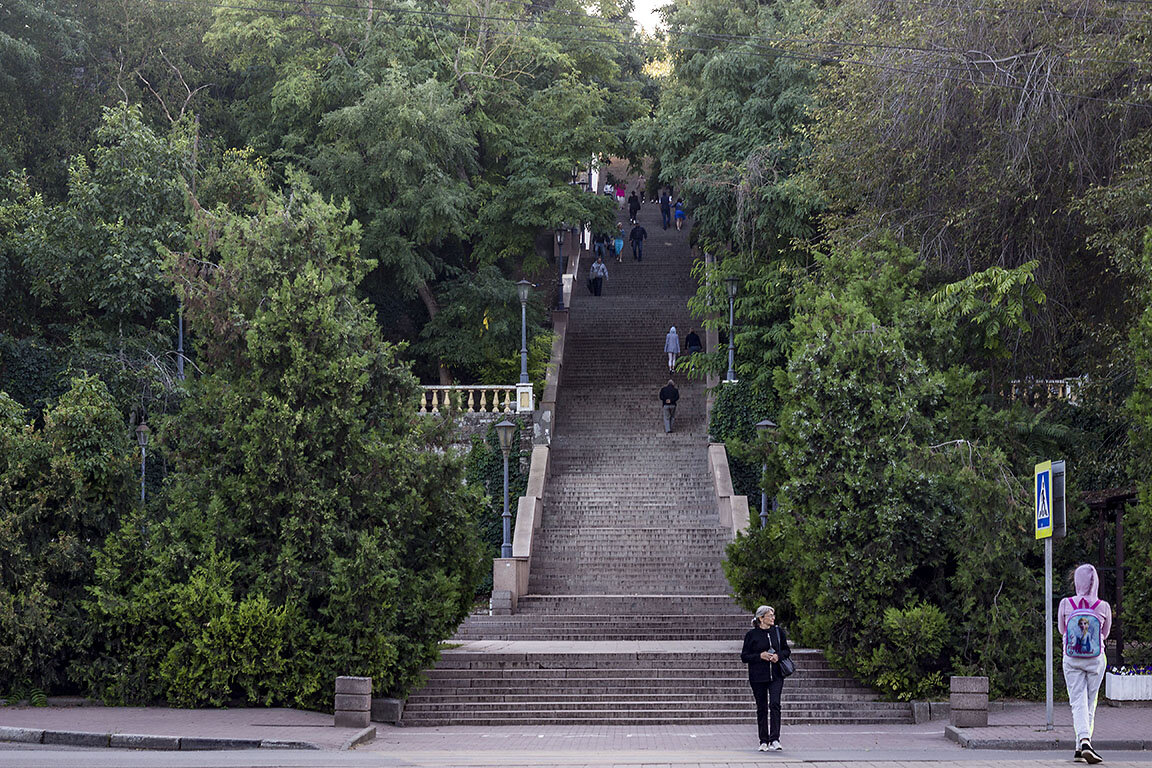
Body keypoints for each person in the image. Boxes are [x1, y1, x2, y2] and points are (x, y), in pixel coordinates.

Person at [1059, 563, 1112, 765]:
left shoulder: (1065, 604)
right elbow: (1105, 635)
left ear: (1076, 582)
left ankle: (1082, 743)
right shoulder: (1103, 606)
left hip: (1072, 658)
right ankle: (1081, 744)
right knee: (1090, 701)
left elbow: (1062, 631)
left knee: (1077, 702)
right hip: (1096, 659)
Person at [741, 605, 791, 752]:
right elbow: (744, 656)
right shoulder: (752, 635)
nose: (773, 618)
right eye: (770, 615)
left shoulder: (778, 632)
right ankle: (763, 740)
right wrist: (760, 656)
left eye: (773, 615)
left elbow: (786, 650)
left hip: (776, 675)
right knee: (761, 708)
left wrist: (778, 656)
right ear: (761, 618)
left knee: (775, 704)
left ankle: (775, 739)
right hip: (758, 677)